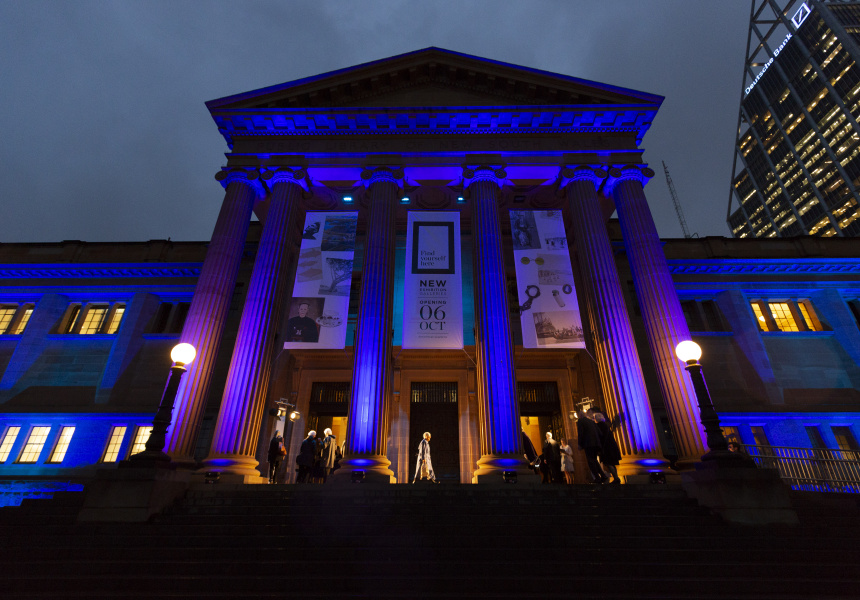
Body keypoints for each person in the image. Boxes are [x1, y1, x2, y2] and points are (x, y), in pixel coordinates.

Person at [591, 409, 622, 485]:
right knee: (612, 463)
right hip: (611, 446)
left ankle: (616, 478)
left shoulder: (599, 426)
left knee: (608, 463)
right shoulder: (605, 425)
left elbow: (600, 437)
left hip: (606, 448)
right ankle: (616, 478)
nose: (593, 419)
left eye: (594, 418)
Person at [576, 412, 607, 484]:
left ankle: (597, 477)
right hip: (596, 444)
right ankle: (603, 475)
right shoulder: (592, 421)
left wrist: (580, 444)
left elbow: (580, 433)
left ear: (580, 416)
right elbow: (600, 433)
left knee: (590, 461)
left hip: (588, 444)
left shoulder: (580, 421)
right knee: (594, 460)